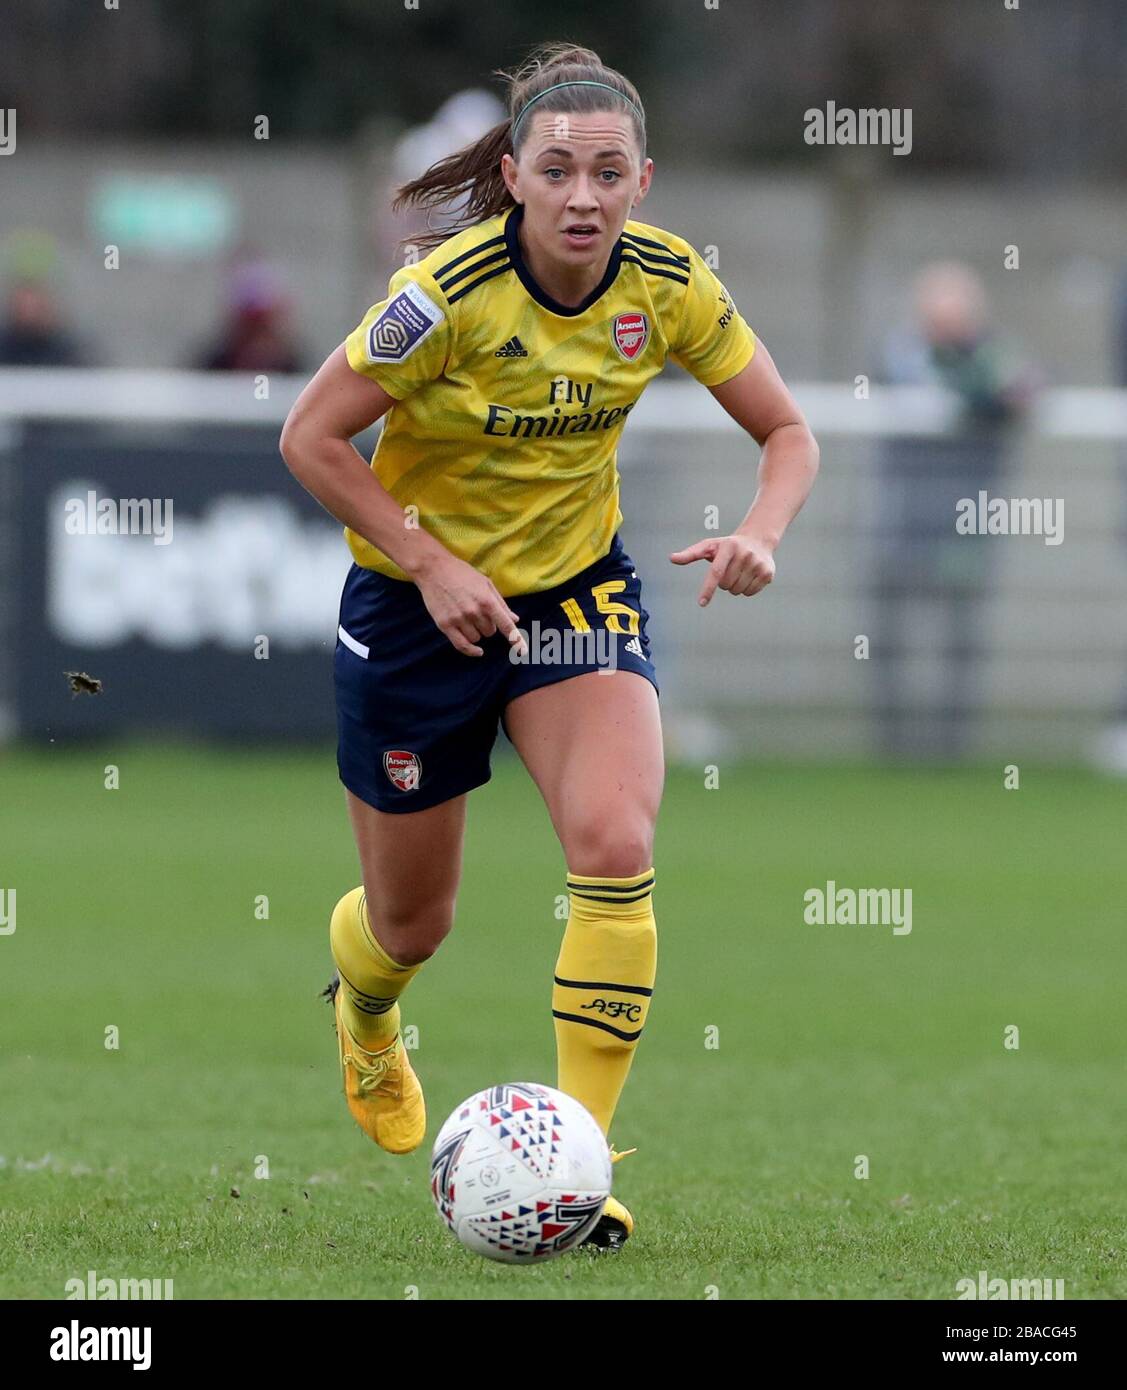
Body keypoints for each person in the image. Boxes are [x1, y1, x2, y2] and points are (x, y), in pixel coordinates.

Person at [280, 41, 818, 1251]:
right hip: (411, 615)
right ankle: (366, 1014)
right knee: (413, 922)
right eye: (560, 169)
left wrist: (760, 533)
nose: (585, 195)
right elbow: (308, 439)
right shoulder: (445, 294)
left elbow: (785, 431)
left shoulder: (669, 285)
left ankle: (579, 1164)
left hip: (573, 598)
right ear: (515, 176)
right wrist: (429, 560)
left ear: (643, 181)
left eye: (609, 172)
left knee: (617, 841)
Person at [871, 262, 1036, 759]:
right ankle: (893, 743)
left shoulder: (993, 355)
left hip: (968, 522)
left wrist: (986, 398)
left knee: (960, 632)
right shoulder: (902, 354)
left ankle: (952, 744)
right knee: (889, 629)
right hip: (904, 520)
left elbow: (1023, 391)